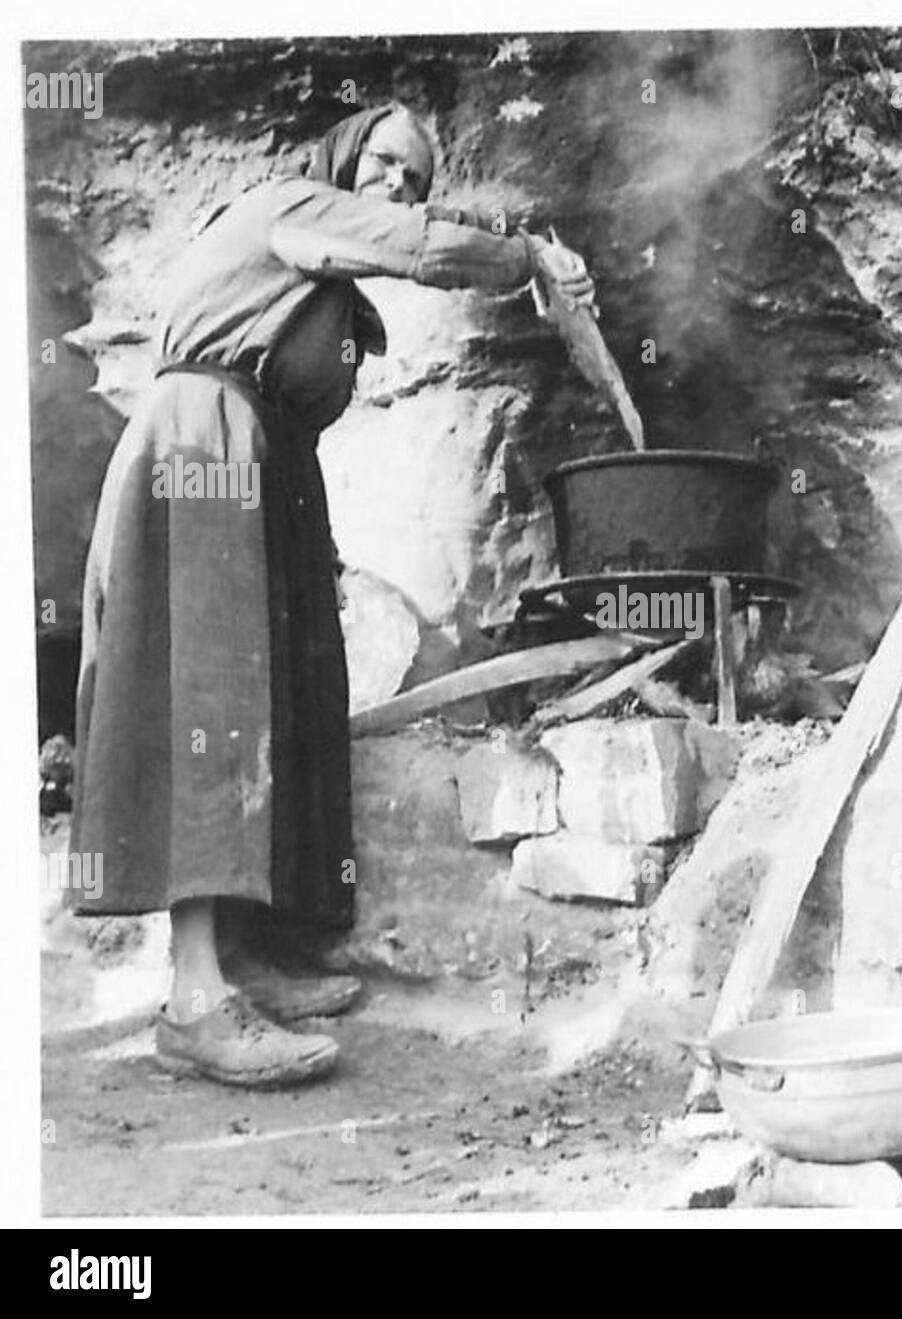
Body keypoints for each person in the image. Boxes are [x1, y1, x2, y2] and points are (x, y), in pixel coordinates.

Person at [70, 104, 593, 1087]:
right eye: (386, 163)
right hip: (204, 449)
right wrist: (527, 254)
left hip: (264, 463)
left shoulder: (327, 287)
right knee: (214, 709)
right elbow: (423, 247)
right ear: (346, 159)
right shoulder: (291, 206)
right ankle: (192, 1002)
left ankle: (242, 958)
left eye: (417, 177)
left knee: (285, 699)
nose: (399, 185)